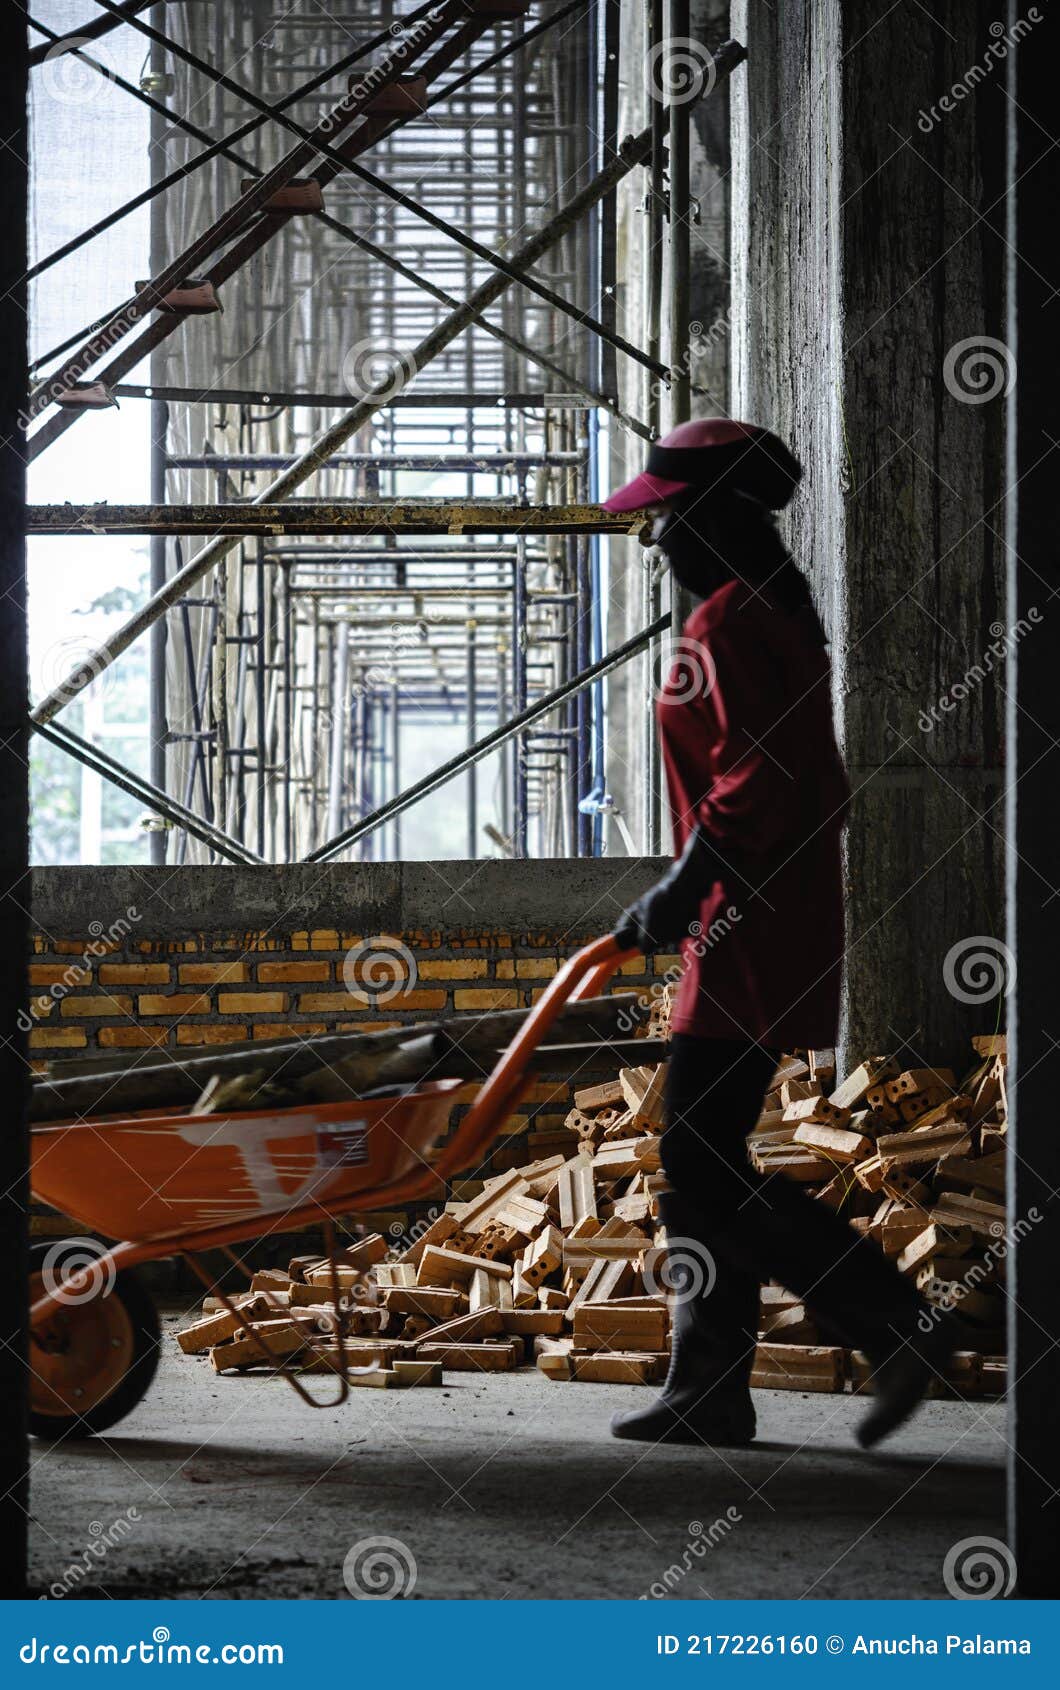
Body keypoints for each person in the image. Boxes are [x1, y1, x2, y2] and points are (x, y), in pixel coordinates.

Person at [602, 418, 958, 1450]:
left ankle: (885, 1320)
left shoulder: (729, 624)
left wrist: (681, 888)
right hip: (756, 916)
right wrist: (689, 893)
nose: (655, 537)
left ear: (712, 516)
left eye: (665, 518)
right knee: (702, 1157)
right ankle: (717, 1386)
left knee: (698, 1155)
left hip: (745, 924)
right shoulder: (772, 614)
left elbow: (760, 781)